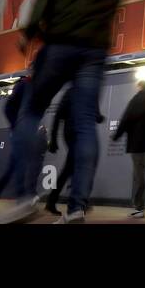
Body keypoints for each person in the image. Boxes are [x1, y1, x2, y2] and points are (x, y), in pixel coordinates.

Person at [2, 0, 123, 224]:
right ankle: (77, 208)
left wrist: (28, 33)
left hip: (60, 44)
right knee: (85, 126)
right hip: (94, 51)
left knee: (29, 112)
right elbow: (112, 11)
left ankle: (26, 197)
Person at [45, 86, 104, 215]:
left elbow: (96, 114)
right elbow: (59, 114)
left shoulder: (81, 91)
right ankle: (77, 202)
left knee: (71, 168)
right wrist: (53, 139)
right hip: (74, 134)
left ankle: (55, 201)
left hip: (79, 133)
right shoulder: (75, 92)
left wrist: (99, 117)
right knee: (73, 167)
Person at [114, 80, 145, 219]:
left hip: (137, 143)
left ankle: (139, 207)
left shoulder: (136, 100)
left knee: (139, 174)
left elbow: (126, 119)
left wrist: (116, 136)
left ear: (140, 87)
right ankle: (139, 206)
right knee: (140, 172)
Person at [0, 74, 30, 212]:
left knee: (13, 168)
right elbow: (8, 107)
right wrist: (15, 126)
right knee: (19, 166)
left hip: (25, 133)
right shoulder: (23, 84)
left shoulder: (35, 87)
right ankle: (21, 200)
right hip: (18, 132)